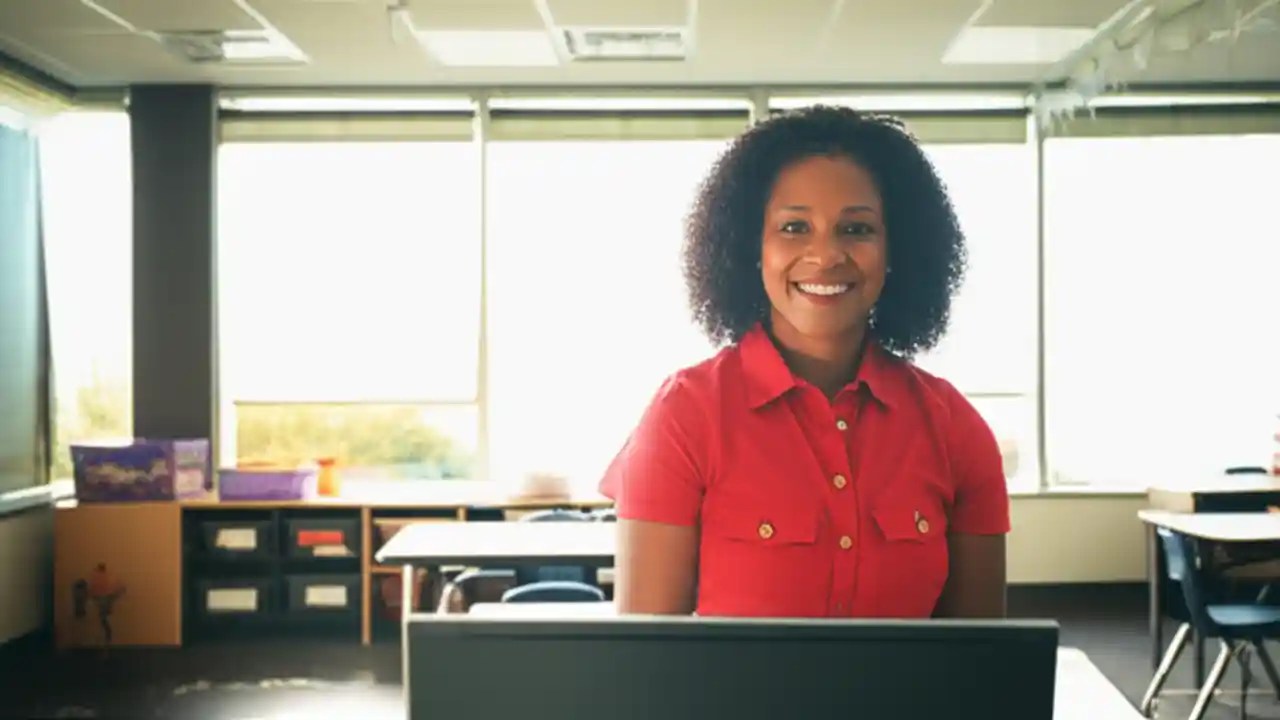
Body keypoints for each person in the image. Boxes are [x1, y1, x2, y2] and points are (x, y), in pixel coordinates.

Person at [599, 105, 1009, 619]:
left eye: (856, 230)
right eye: (794, 227)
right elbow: (646, 661)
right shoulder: (685, 417)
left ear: (897, 249)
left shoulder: (955, 430)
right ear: (751, 248)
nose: (825, 255)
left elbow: (980, 664)